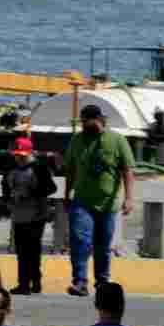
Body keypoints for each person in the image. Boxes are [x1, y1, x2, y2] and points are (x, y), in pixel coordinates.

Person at [60, 105, 136, 296]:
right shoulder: (77, 140)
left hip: (108, 205)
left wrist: (129, 198)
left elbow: (127, 170)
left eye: (89, 121)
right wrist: (67, 194)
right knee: (80, 240)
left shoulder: (117, 140)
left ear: (100, 119)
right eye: (83, 121)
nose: (85, 125)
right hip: (82, 202)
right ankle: (80, 281)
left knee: (103, 245)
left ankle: (102, 281)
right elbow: (70, 170)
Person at [2, 136, 55, 293]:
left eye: (22, 155)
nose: (19, 158)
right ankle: (23, 283)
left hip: (36, 215)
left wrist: (31, 193)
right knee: (21, 250)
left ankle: (35, 281)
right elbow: (5, 186)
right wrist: (8, 200)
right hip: (18, 215)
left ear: (28, 153)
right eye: (17, 155)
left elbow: (51, 188)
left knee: (32, 249)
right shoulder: (11, 169)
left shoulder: (39, 168)